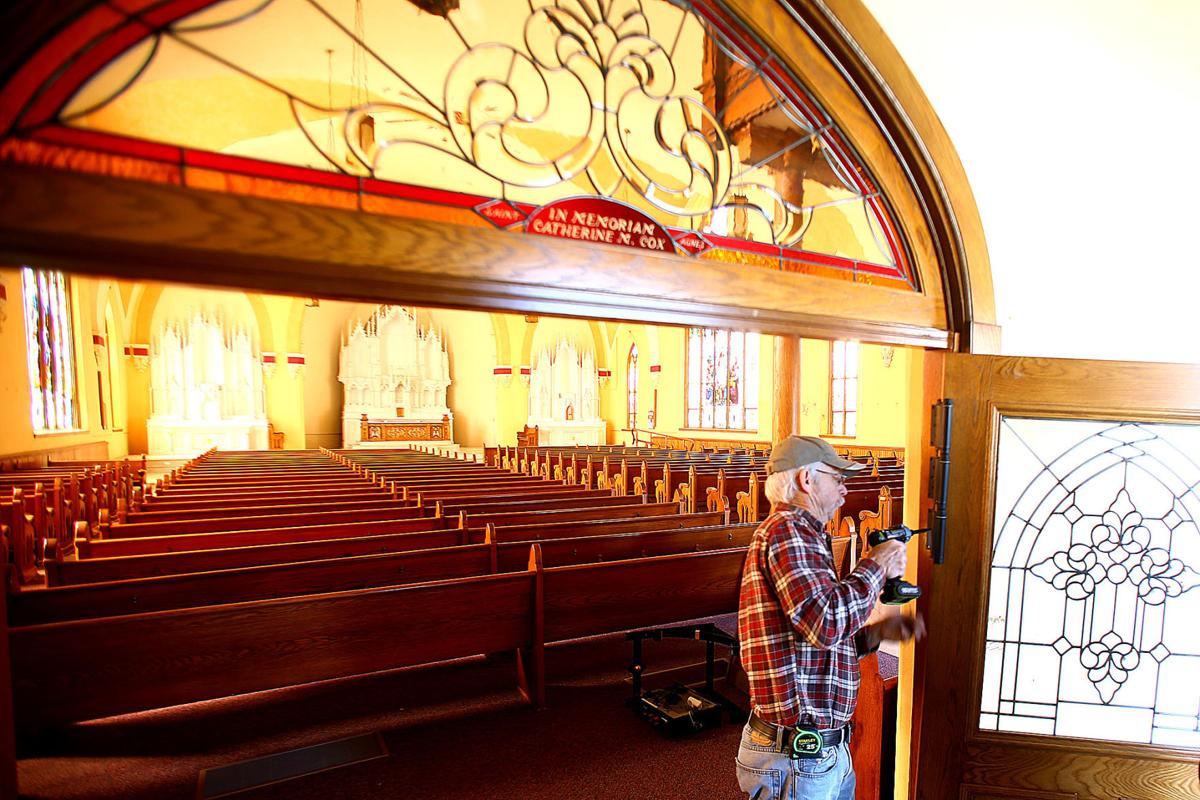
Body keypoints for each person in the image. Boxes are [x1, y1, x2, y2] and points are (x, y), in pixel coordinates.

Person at [736, 435, 925, 800]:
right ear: (807, 479)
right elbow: (824, 624)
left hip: (817, 751)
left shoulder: (805, 534)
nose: (844, 489)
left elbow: (809, 645)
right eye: (836, 478)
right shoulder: (786, 531)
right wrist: (877, 564)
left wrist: (875, 634)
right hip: (796, 756)